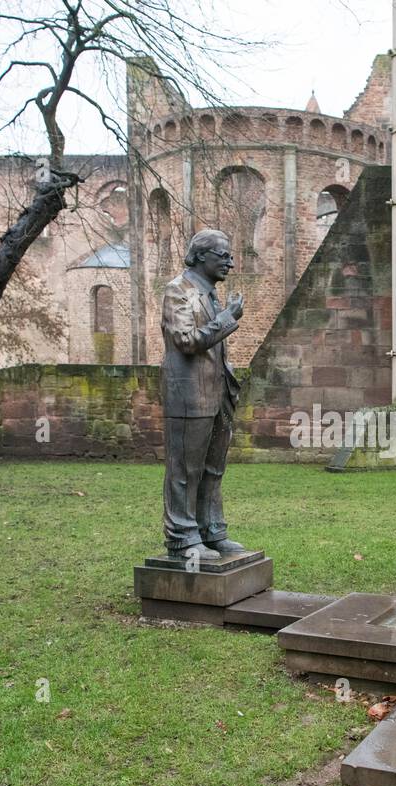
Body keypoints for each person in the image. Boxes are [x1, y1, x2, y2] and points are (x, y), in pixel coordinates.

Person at [160, 229, 247, 559]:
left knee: (213, 469)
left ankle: (212, 531)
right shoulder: (178, 291)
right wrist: (228, 318)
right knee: (185, 471)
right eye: (223, 256)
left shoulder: (209, 294)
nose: (231, 263)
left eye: (231, 256)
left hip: (218, 394)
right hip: (188, 395)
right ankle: (182, 537)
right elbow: (186, 340)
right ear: (200, 256)